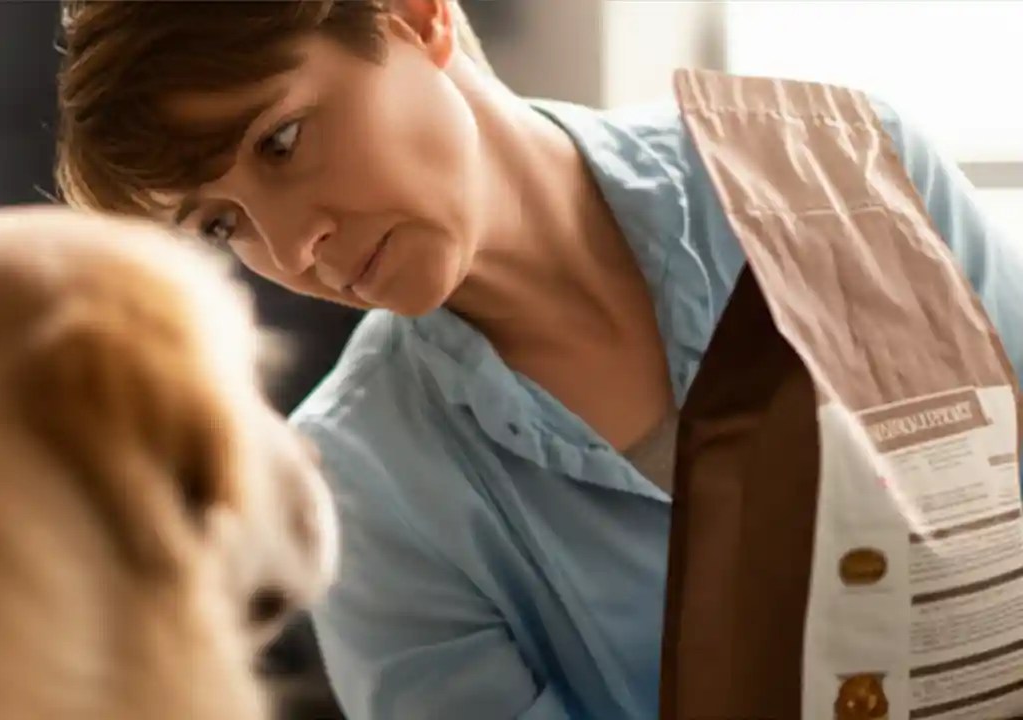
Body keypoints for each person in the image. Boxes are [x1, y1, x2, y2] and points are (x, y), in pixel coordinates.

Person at [54, 2, 1023, 717]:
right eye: (223, 224)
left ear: (413, 17)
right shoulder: (359, 485)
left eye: (282, 141)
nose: (288, 250)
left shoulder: (847, 176)